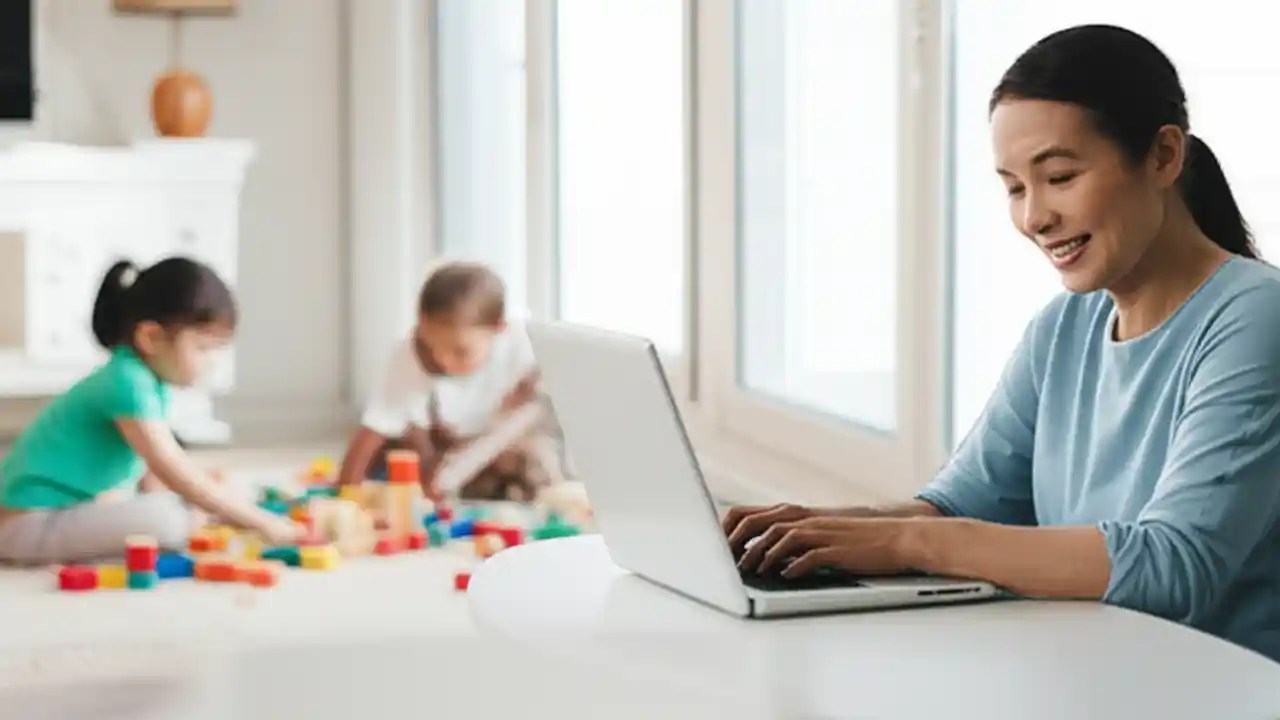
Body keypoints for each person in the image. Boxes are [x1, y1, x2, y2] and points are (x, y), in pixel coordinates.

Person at [725, 24, 1280, 662]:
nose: (1033, 217)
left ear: (1163, 156)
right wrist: (810, 529)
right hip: (1091, 679)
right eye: (1014, 187)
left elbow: (1173, 565)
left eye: (1060, 177)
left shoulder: (1254, 317)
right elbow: (956, 508)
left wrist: (908, 545)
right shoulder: (1063, 328)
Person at [0, 257, 305, 564]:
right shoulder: (127, 383)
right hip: (28, 526)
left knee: (198, 496)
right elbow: (170, 467)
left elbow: (149, 473)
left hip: (50, 516)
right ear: (151, 338)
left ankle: (202, 512)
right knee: (169, 520)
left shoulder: (142, 379)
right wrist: (259, 520)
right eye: (203, 349)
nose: (212, 362)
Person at [336, 261, 563, 502]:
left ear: (499, 328)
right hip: (439, 439)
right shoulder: (412, 349)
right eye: (434, 346)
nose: (444, 361)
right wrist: (345, 497)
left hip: (492, 437)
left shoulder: (526, 344)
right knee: (398, 450)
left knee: (537, 462)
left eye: (460, 351)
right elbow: (375, 425)